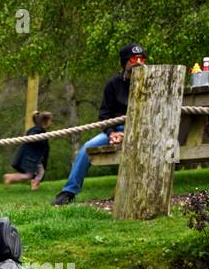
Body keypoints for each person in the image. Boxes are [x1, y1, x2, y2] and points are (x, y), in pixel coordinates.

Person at [54, 42, 146, 206]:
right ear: (125, 62)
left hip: (141, 130)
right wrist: (112, 133)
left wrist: (129, 133)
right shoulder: (113, 85)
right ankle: (68, 192)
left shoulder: (151, 82)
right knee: (87, 148)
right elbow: (104, 115)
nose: (139, 62)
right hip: (115, 130)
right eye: (134, 59)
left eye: (142, 59)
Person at [4, 111, 53, 189]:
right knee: (37, 173)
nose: (52, 123)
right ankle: (11, 178)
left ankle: (33, 185)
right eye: (51, 121)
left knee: (33, 174)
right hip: (32, 158)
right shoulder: (38, 130)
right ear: (45, 121)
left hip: (34, 158)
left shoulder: (40, 131)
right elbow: (32, 137)